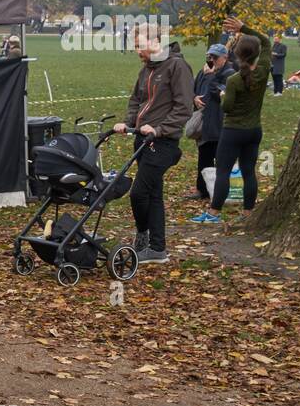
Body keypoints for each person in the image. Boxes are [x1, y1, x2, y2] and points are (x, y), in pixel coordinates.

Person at [112, 24, 193, 264]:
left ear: (156, 41)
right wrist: (127, 123)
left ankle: (143, 237)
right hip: (142, 139)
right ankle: (157, 248)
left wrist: (159, 129)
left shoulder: (177, 67)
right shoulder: (147, 69)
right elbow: (136, 100)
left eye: (140, 45)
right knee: (154, 194)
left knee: (139, 193)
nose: (137, 50)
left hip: (163, 142)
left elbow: (184, 107)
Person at [199, 18, 270, 223]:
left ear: (236, 55)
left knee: (223, 171)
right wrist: (243, 28)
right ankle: (248, 212)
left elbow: (227, 108)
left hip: (232, 131)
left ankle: (214, 213)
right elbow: (266, 42)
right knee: (249, 172)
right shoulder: (263, 71)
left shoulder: (233, 80)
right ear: (256, 55)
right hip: (254, 130)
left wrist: (222, 96)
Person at [188, 44, 234, 213]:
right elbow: (192, 89)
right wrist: (194, 99)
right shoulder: (203, 72)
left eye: (215, 57)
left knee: (220, 159)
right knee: (203, 156)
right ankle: (202, 189)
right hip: (204, 121)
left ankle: (221, 192)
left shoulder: (229, 74)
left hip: (219, 122)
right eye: (210, 57)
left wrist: (212, 76)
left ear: (225, 57)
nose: (212, 60)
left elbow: (218, 94)